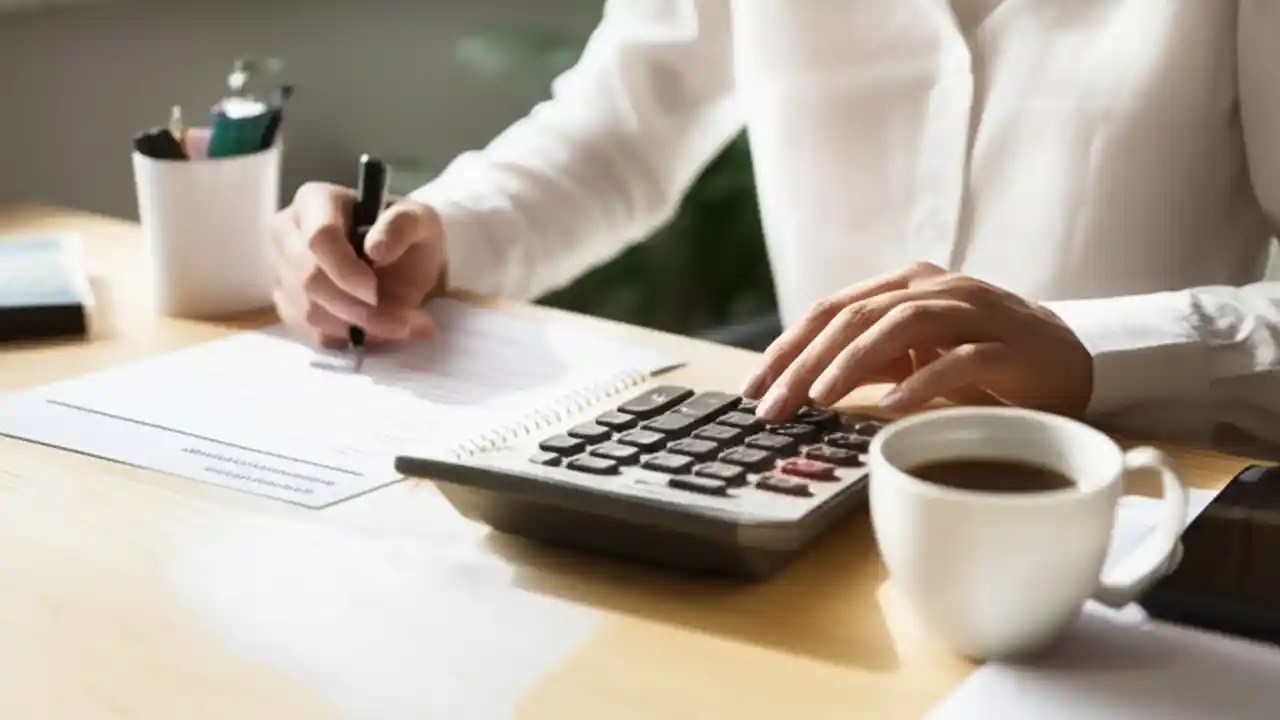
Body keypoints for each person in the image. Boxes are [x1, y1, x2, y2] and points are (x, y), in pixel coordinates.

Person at [270, 1, 1280, 456]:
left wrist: (1093, 352)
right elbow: (619, 127)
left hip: (1141, 516)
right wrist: (435, 234)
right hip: (803, 481)